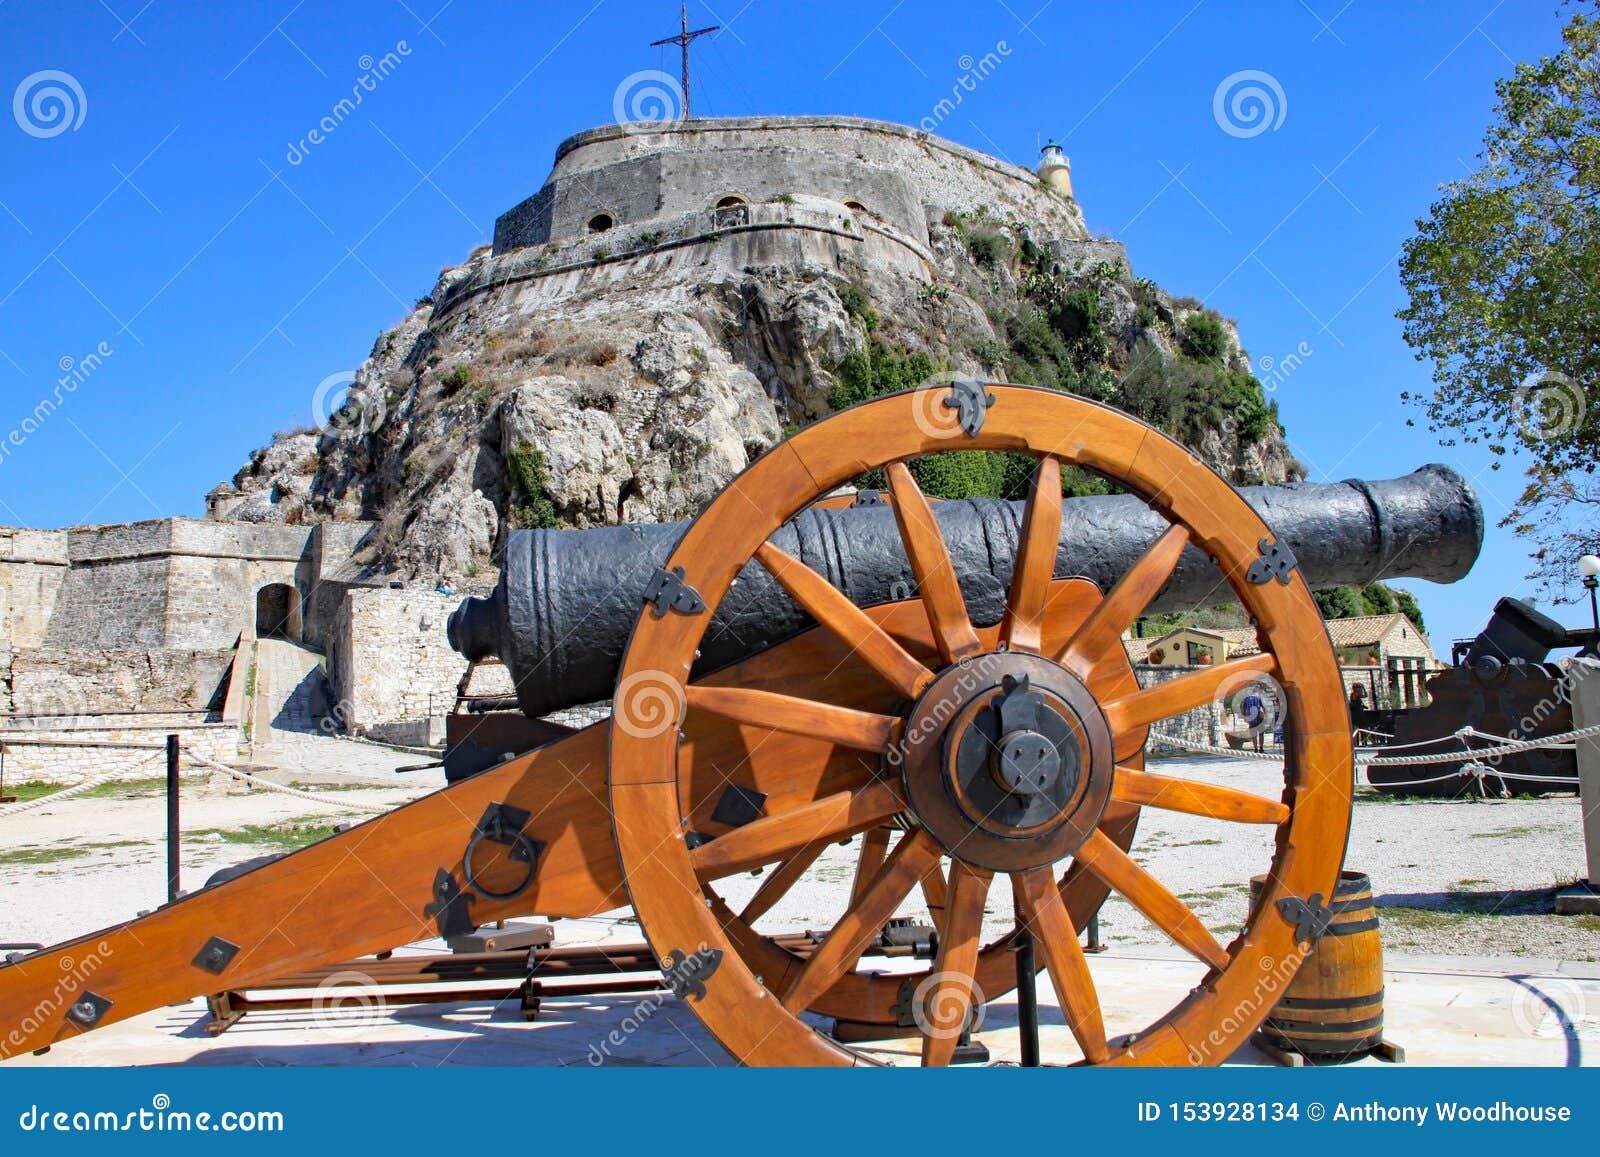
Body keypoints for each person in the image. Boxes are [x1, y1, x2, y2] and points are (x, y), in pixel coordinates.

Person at [1239, 687, 1266, 752]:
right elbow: (1264, 707)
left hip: (1251, 718)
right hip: (1259, 718)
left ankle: (1255, 748)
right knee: (1261, 733)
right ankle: (1261, 748)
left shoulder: (1246, 698)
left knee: (1253, 734)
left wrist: (1245, 717)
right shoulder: (1259, 697)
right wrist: (1265, 715)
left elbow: (1243, 709)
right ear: (1257, 691)